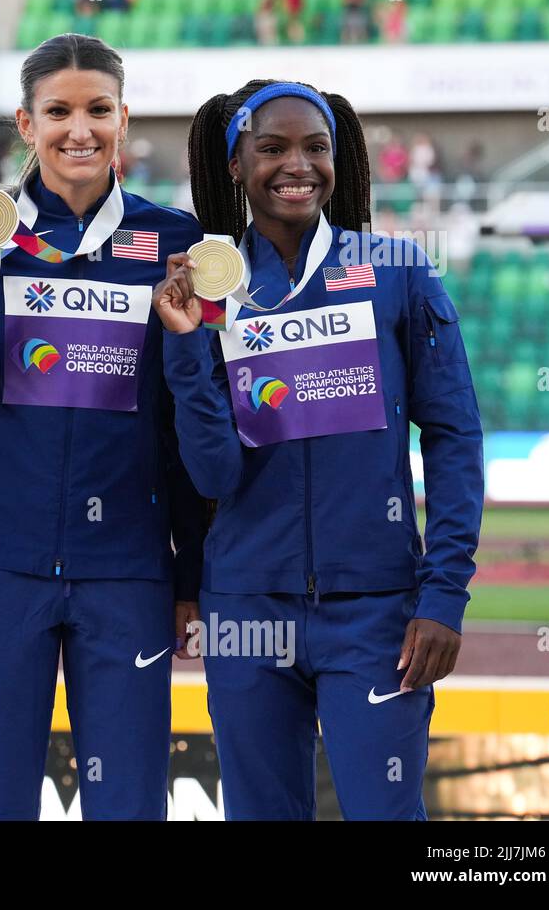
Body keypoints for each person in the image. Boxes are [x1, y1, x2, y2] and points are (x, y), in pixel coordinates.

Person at [154, 79, 483, 819]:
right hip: (244, 606)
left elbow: (455, 435)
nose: (295, 164)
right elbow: (213, 472)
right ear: (235, 164)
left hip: (377, 613)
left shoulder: (397, 270)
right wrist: (184, 350)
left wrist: (444, 594)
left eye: (315, 146)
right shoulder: (209, 289)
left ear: (339, 157)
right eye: (271, 148)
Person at [0, 34, 206, 820]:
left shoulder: (174, 243)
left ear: (124, 119)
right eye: (58, 111)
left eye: (97, 110)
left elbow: (186, 429)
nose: (78, 129)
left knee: (128, 803)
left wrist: (190, 576)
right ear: (25, 122)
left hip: (127, 570)